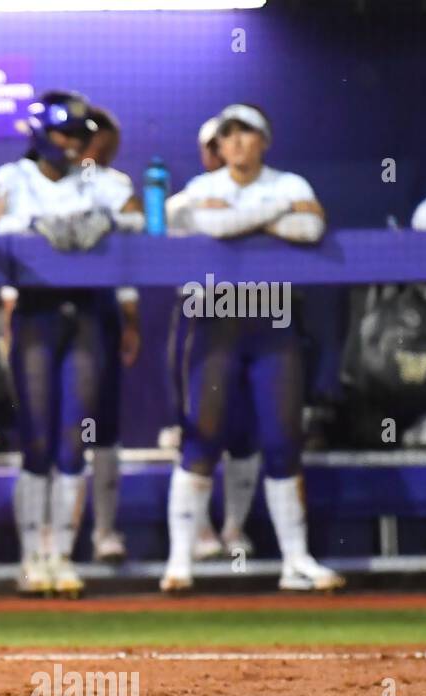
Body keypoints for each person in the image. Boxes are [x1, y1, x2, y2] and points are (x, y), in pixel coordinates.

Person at [0, 91, 142, 597]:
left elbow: (137, 217)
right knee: (37, 437)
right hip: (35, 311)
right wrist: (28, 227)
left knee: (71, 437)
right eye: (65, 134)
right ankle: (31, 557)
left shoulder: (98, 178)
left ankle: (62, 555)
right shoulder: (10, 178)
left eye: (80, 136)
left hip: (86, 310)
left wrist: (103, 223)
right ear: (43, 135)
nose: (72, 144)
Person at [161, 103, 343, 592]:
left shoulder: (290, 183)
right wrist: (270, 218)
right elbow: (209, 226)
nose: (238, 143)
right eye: (229, 136)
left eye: (247, 134)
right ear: (217, 146)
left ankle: (296, 561)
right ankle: (180, 562)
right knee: (203, 432)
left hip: (271, 317)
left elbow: (311, 228)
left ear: (265, 140)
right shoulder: (203, 189)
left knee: (283, 437)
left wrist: (243, 216)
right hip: (214, 317)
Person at [169, 114, 262, 563]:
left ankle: (234, 527)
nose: (217, 152)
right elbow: (169, 222)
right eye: (213, 145)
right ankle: (197, 532)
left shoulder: (268, 188)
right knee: (199, 429)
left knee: (246, 431)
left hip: (260, 316)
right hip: (204, 318)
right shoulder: (192, 196)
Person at [80, 107, 144, 563]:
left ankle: (104, 531)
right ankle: (46, 545)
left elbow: (134, 238)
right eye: (90, 140)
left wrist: (131, 318)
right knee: (48, 430)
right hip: (42, 312)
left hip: (99, 308)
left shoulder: (116, 185)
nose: (98, 150)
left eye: (108, 143)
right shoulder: (25, 179)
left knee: (103, 426)